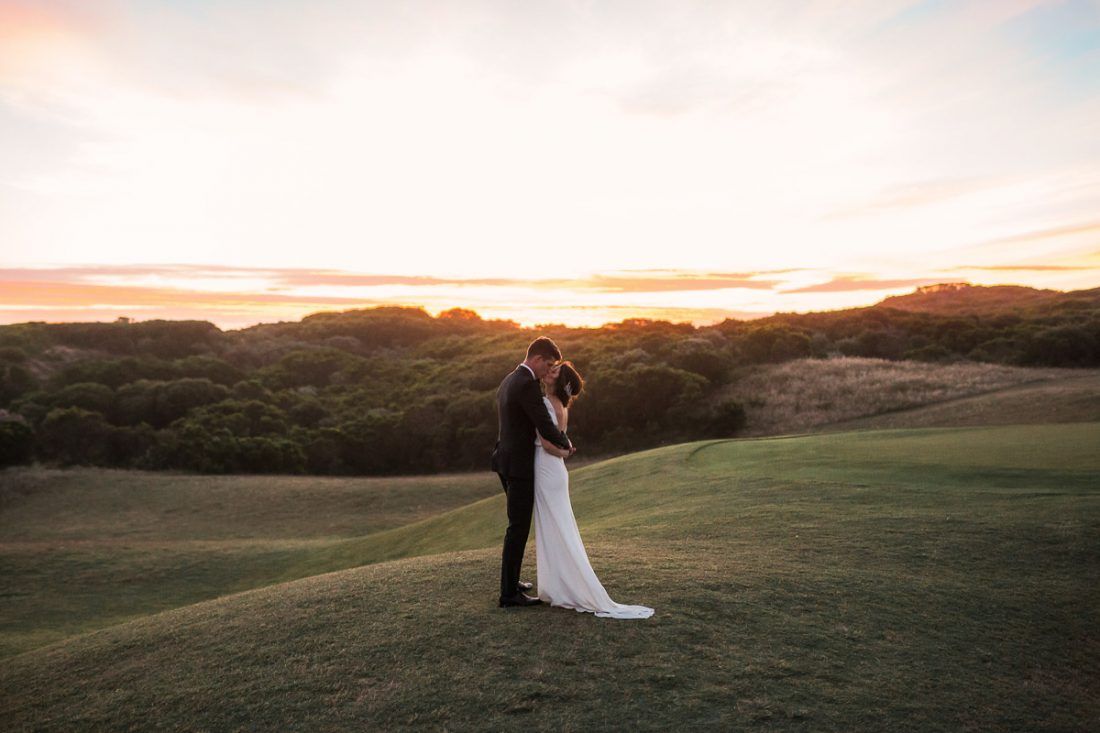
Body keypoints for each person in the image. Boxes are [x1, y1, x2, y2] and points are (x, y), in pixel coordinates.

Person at [532, 361, 654, 619]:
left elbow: (547, 444)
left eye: (553, 372)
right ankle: (557, 585)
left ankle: (562, 587)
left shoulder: (545, 403)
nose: (547, 373)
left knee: (554, 527)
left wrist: (563, 451)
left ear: (558, 380)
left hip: (546, 468)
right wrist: (566, 450)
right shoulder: (563, 406)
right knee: (557, 526)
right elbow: (561, 437)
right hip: (556, 471)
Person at [491, 336, 575, 607]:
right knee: (518, 528)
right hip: (519, 466)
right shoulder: (526, 384)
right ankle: (508, 594)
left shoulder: (509, 379)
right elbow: (545, 425)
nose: (547, 370)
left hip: (504, 460)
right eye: (547, 364)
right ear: (537, 359)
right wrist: (567, 445)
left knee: (516, 526)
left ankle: (512, 581)